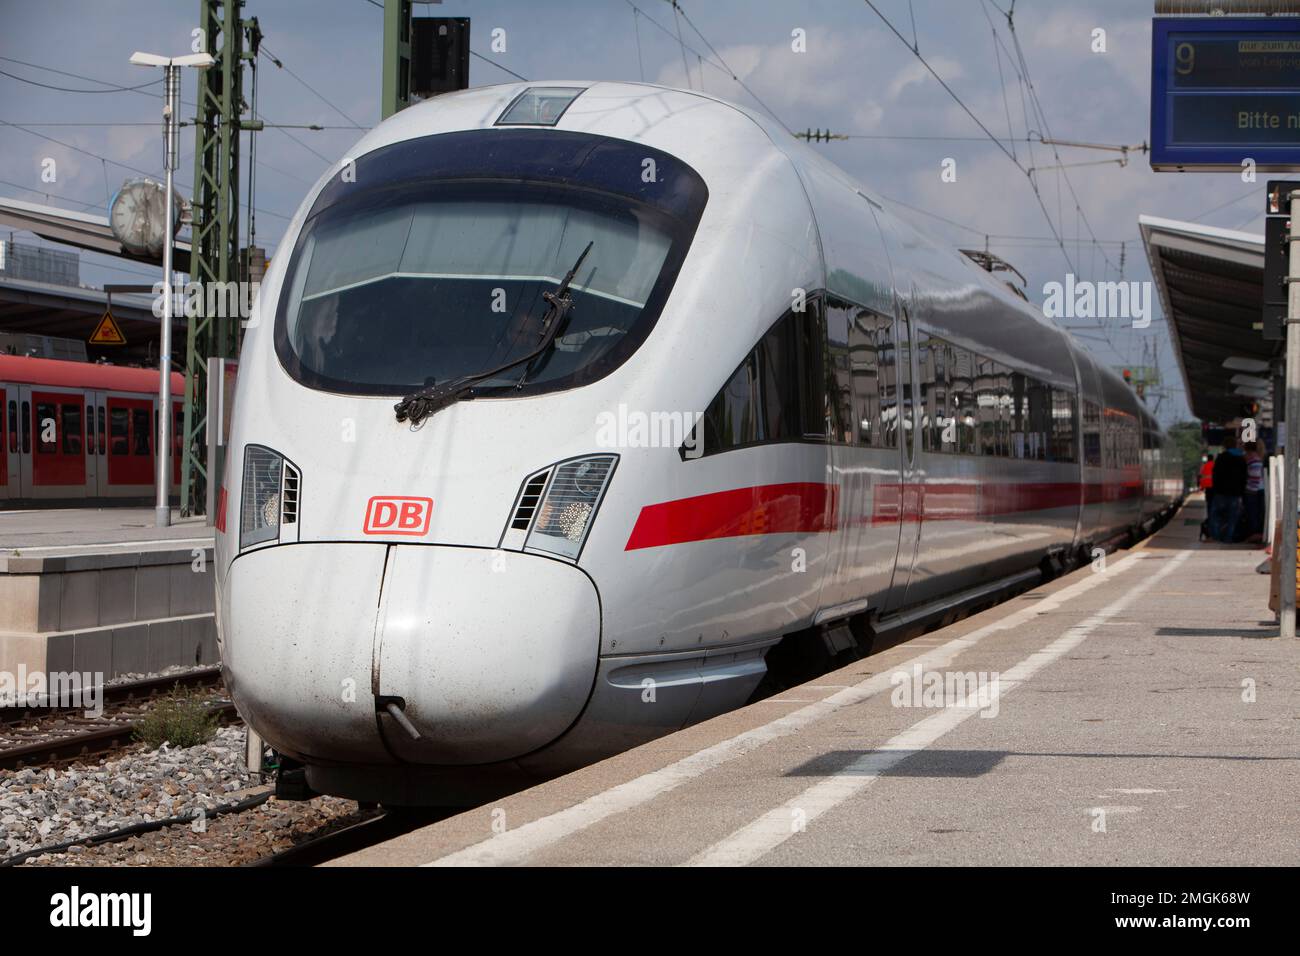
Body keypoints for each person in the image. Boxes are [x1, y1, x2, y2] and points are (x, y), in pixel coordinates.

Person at [1209, 435, 1247, 543]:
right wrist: (1241, 493)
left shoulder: (1221, 457)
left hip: (1220, 493)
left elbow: (1215, 475)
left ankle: (1216, 537)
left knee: (1216, 515)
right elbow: (1244, 477)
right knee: (1232, 518)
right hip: (1235, 494)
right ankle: (1228, 538)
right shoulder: (1241, 459)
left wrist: (1215, 490)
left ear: (1225, 446)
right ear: (1235, 445)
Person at [1242, 440, 1266, 543]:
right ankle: (1254, 534)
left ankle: (1254, 535)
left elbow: (1255, 477)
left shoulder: (1254, 460)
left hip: (1253, 492)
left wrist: (1250, 489)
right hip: (1256, 491)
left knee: (1253, 514)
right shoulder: (1257, 459)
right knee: (1255, 514)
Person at [1198, 452, 1215, 541]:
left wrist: (1201, 487)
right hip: (1215, 490)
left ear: (1207, 459)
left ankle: (1209, 519)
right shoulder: (1215, 465)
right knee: (1214, 507)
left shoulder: (1204, 467)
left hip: (1208, 490)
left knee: (1209, 506)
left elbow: (1201, 477)